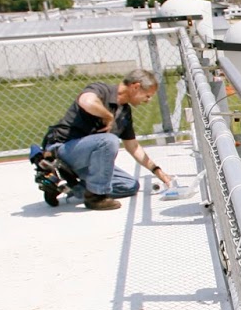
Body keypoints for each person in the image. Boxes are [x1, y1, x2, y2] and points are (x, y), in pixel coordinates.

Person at [42, 68, 173, 210]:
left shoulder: (124, 112)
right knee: (109, 140)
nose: (148, 101)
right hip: (63, 151)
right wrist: (107, 116)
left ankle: (67, 186)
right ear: (136, 87)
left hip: (88, 161)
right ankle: (95, 198)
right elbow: (86, 101)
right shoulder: (102, 90)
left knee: (129, 185)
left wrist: (158, 171)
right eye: (147, 96)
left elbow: (133, 147)